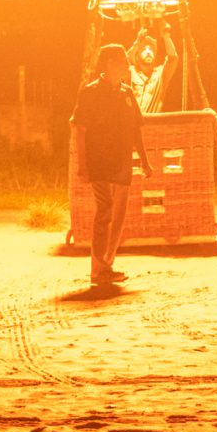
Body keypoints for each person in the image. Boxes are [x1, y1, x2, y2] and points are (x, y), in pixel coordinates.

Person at [69, 44, 154, 287]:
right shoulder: (90, 92)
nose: (127, 65)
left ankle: (107, 264)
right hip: (100, 163)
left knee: (117, 217)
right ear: (109, 64)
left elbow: (136, 130)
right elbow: (80, 130)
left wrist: (145, 162)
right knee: (105, 211)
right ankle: (98, 269)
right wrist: (83, 166)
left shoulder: (126, 93)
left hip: (122, 164)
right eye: (122, 61)